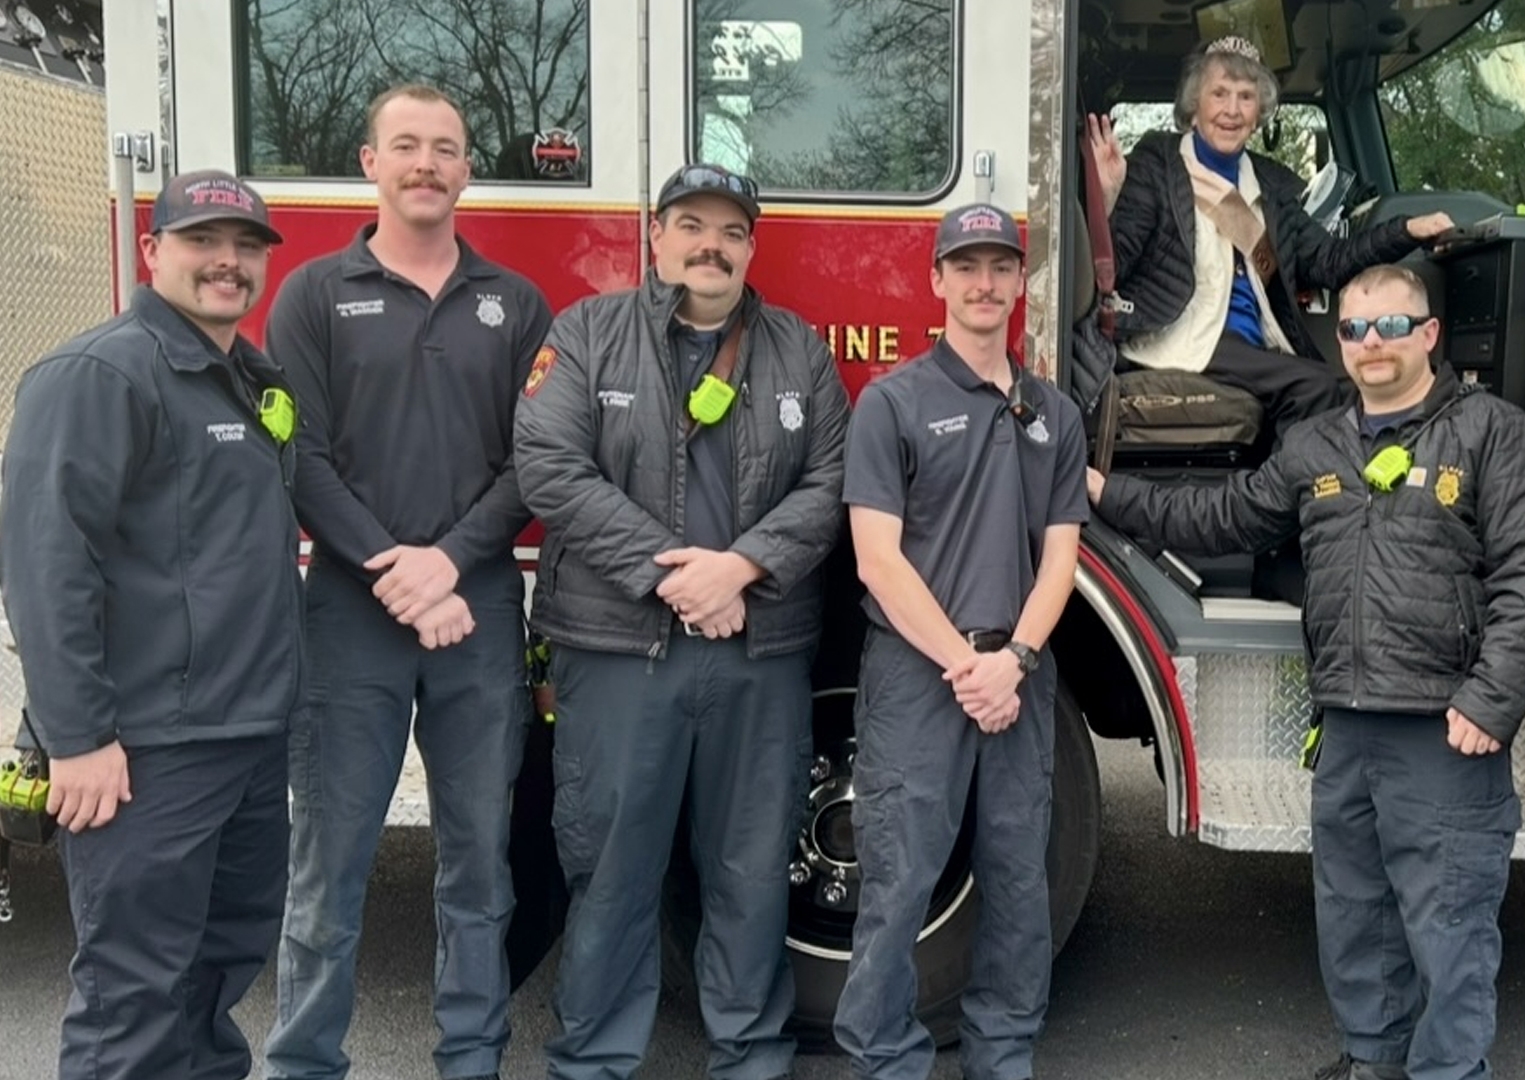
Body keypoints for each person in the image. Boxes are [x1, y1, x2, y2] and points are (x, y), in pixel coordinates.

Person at [1088, 264, 1525, 1080]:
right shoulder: (1317, 445)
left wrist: (1490, 701)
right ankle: (1372, 1060)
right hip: (1345, 724)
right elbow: (1215, 514)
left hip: (1445, 730)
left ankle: (1449, 1070)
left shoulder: (1489, 433)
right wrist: (1100, 489)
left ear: (1430, 335)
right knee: (1356, 913)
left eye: (1392, 326)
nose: (1372, 344)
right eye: (1354, 329)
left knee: (1448, 921)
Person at [513, 162, 850, 1080]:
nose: (711, 244)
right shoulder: (585, 335)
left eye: (731, 230)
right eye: (691, 225)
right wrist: (676, 577)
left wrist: (743, 566)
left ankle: (749, 1058)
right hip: (624, 654)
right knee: (613, 874)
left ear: (751, 247)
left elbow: (832, 484)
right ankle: (592, 1061)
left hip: (758, 654)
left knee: (749, 877)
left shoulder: (800, 351)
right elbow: (547, 465)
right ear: (655, 236)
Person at [261, 84, 553, 1080]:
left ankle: (470, 1059)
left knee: (479, 864)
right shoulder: (310, 294)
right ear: (370, 162)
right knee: (328, 866)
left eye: (447, 148)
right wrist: (392, 568)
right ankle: (304, 1063)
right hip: (351, 613)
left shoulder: (516, 305)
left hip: (474, 608)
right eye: (407, 147)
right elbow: (297, 458)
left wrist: (447, 562)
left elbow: (535, 462)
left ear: (469, 169)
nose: (427, 164)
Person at [0, 169, 301, 1080]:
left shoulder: (247, 377)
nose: (227, 263)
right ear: (150, 251)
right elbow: (46, 569)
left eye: (246, 247)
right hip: (147, 752)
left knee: (216, 978)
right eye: (203, 242)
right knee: (133, 994)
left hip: (245, 740)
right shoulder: (98, 374)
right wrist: (79, 738)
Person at [832, 203, 1089, 1080]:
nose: (985, 285)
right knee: (899, 883)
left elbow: (1061, 560)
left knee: (1018, 886)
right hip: (920, 674)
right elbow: (876, 558)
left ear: (1021, 284)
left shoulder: (1053, 410)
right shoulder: (892, 403)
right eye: (967, 267)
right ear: (936, 280)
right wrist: (965, 666)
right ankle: (882, 1059)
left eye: (1001, 268)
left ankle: (1002, 1058)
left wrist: (1012, 662)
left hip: (1016, 673)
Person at [1086, 35, 1456, 446]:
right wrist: (1106, 201)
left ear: (1258, 112)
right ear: (1195, 105)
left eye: (1246, 97)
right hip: (1184, 334)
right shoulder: (1156, 165)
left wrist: (1405, 230)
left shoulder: (1271, 182)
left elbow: (1328, 262)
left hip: (1252, 342)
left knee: (1347, 387)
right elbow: (1114, 266)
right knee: (1313, 386)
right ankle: (1286, 497)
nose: (1232, 110)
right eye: (1219, 94)